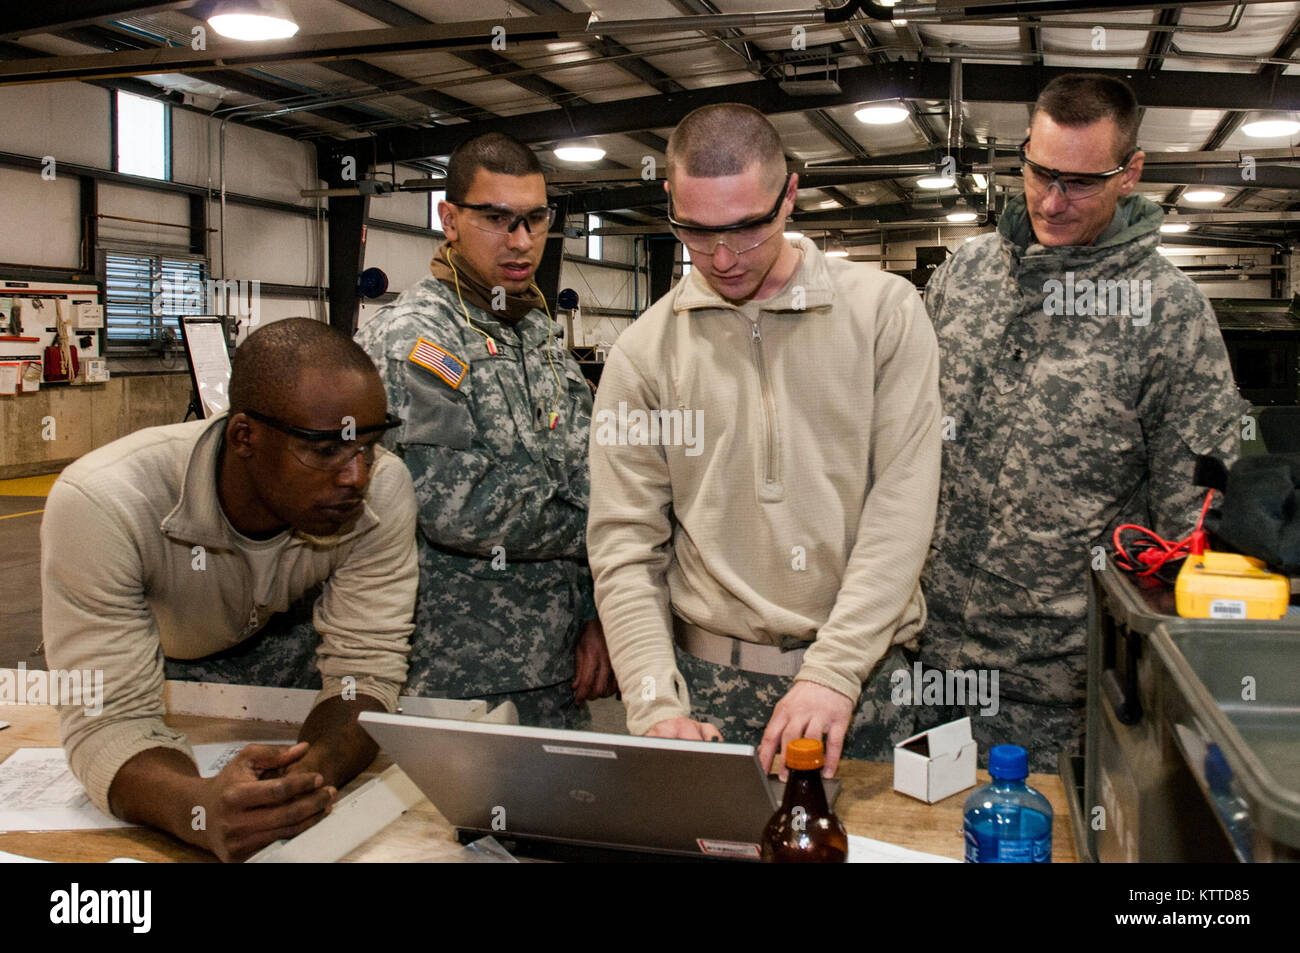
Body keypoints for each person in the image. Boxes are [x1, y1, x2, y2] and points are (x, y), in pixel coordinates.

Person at [586, 103, 941, 777]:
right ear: (671, 203)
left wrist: (834, 669)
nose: (722, 258)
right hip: (709, 689)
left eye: (748, 228)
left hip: (858, 684)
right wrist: (654, 702)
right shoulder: (642, 355)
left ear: (790, 196)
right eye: (695, 232)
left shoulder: (883, 315)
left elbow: (902, 508)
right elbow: (624, 546)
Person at [922, 73, 1247, 770]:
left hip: (1053, 697)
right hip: (921, 665)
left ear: (1130, 173)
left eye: (1080, 181)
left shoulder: (1169, 313)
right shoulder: (964, 277)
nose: (1051, 200)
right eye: (1039, 172)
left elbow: (1195, 527)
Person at [41, 318, 419, 861]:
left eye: (369, 445)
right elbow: (108, 718)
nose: (354, 476)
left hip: (277, 692)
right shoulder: (104, 504)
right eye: (325, 449)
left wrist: (291, 790)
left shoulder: (381, 490)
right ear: (245, 436)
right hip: (158, 668)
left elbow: (365, 668)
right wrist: (197, 808)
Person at [356, 132, 615, 729]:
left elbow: (595, 466)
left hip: (558, 663)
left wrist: (599, 610)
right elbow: (455, 502)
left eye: (534, 219)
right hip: (457, 676)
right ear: (449, 219)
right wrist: (607, 528)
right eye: (496, 219)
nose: (521, 241)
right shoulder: (418, 342)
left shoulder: (537, 336)